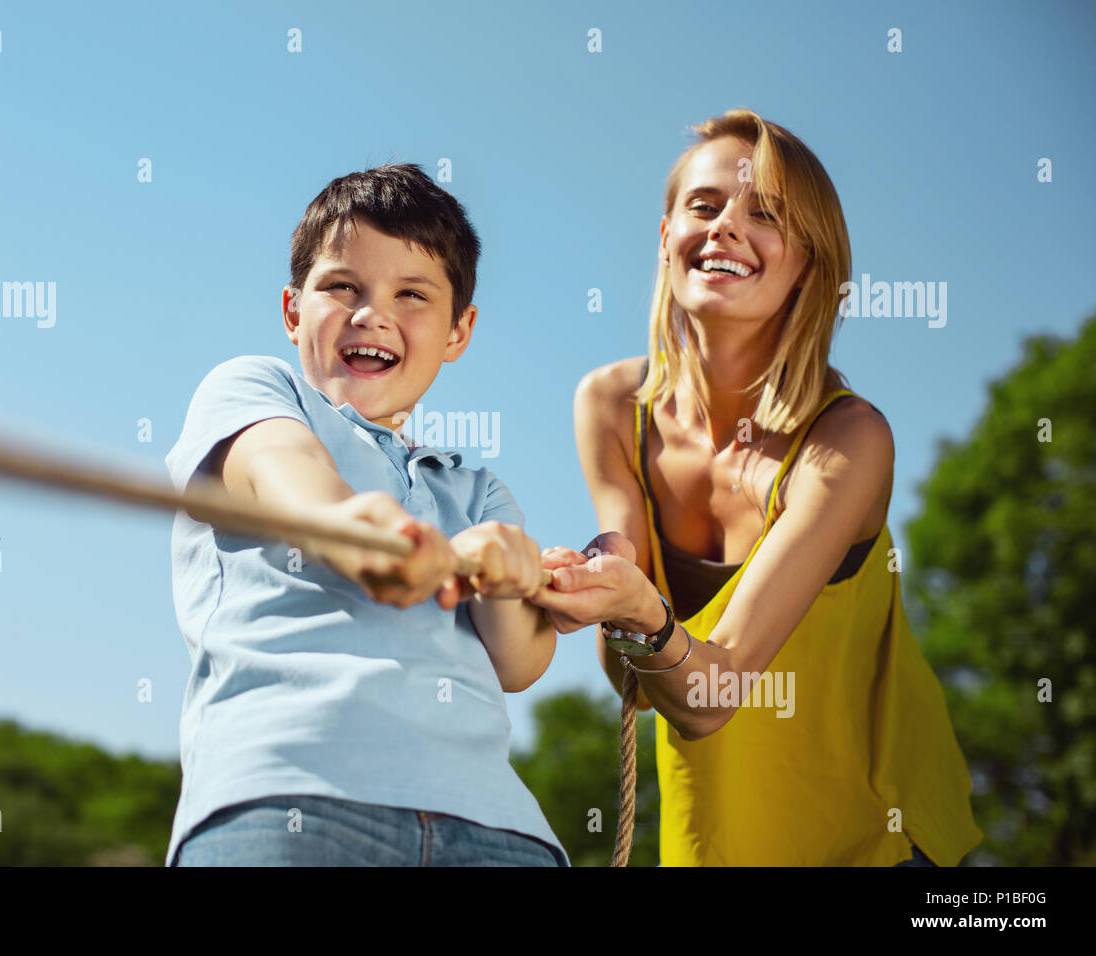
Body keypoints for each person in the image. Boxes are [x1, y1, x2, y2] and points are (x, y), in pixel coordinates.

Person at [532, 109, 982, 867]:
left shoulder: (847, 441)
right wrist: (597, 579)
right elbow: (629, 671)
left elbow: (712, 696)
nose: (726, 228)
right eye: (704, 206)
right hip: (717, 838)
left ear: (810, 264)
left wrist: (639, 608)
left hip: (874, 838)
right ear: (667, 235)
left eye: (765, 214)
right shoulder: (609, 406)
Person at [163, 164, 568, 867]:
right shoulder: (258, 389)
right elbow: (282, 470)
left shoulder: (476, 491)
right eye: (342, 287)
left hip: (498, 829)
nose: (371, 313)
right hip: (290, 792)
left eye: (411, 294)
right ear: (293, 310)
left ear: (458, 331)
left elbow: (521, 662)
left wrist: (506, 580)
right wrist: (357, 526)